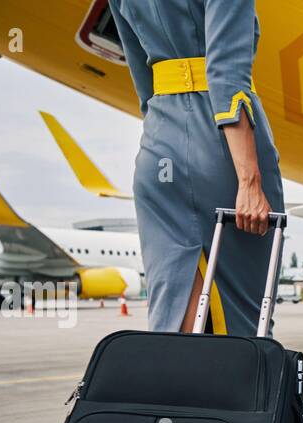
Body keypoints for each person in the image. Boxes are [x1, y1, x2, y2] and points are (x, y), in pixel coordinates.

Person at [109, 0, 284, 335]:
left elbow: (141, 74)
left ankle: (173, 387)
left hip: (158, 142)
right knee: (246, 318)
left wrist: (166, 127)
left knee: (172, 315)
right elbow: (227, 73)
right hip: (220, 149)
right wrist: (249, 180)